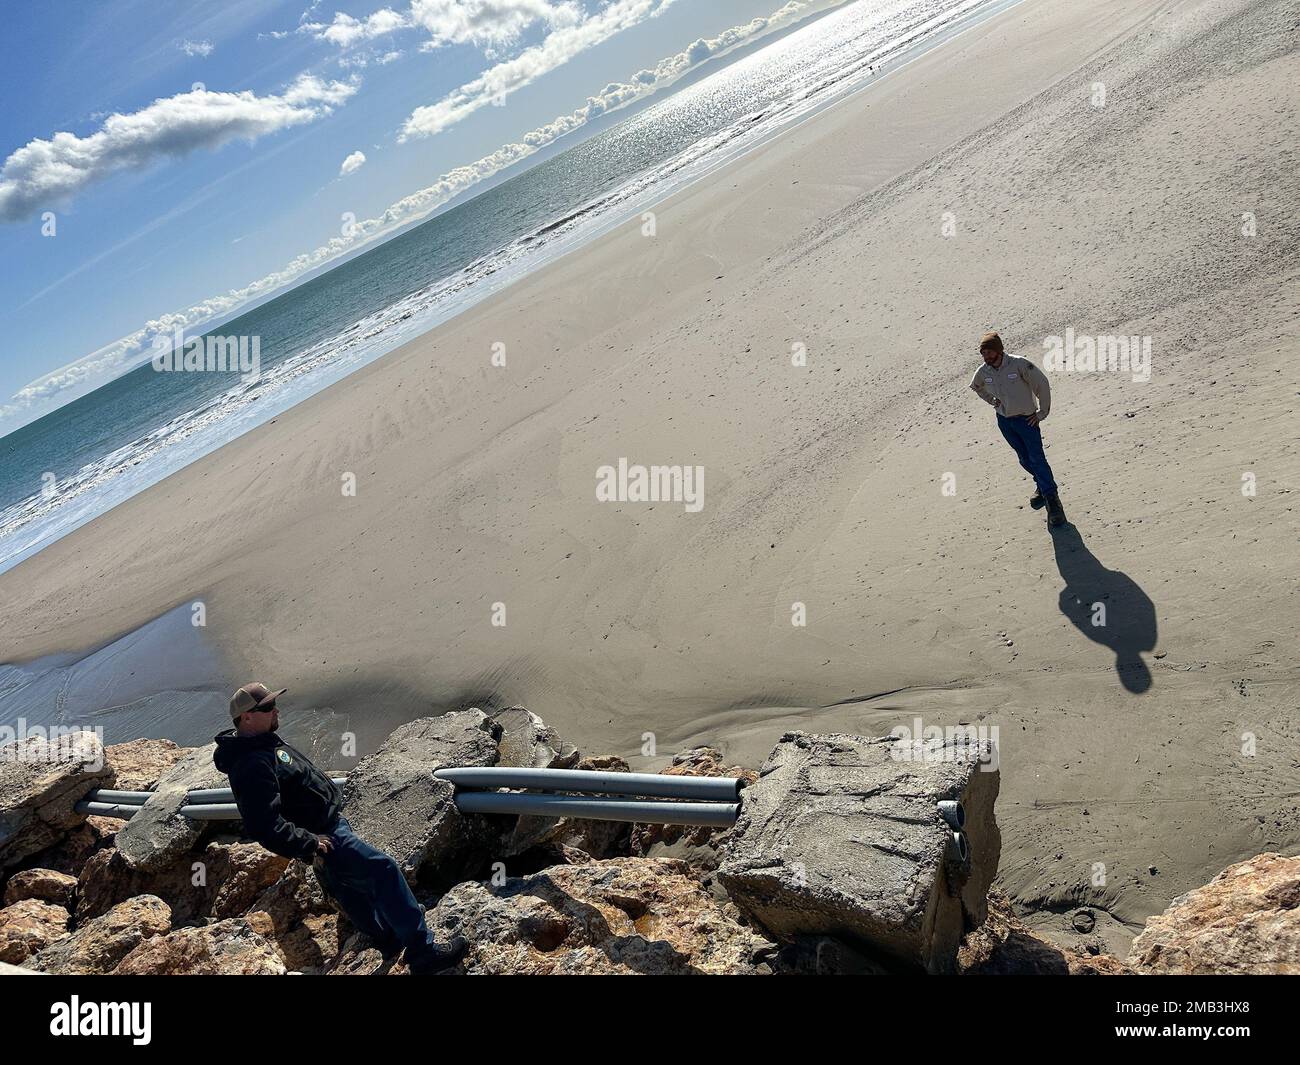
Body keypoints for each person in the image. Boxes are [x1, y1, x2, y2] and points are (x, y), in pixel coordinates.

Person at [213, 682, 463, 973]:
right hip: (326, 836)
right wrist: (309, 842)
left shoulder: (260, 743)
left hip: (325, 832)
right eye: (267, 707)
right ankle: (424, 952)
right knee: (383, 871)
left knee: (351, 891)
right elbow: (262, 825)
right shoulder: (251, 763)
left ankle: (389, 940)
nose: (275, 710)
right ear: (246, 718)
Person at [970, 331, 1065, 526]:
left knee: (1037, 459)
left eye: (989, 352)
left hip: (1027, 420)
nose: (986, 357)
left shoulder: (1020, 364)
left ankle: (1053, 502)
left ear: (999, 350)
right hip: (1005, 421)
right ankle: (1041, 484)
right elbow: (977, 386)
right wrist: (992, 400)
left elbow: (1042, 385)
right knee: (1024, 459)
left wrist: (1041, 413)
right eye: (983, 353)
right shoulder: (983, 371)